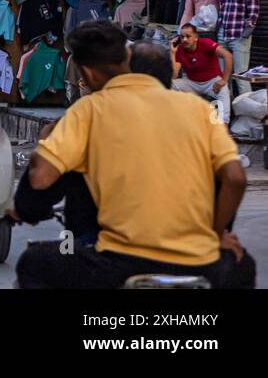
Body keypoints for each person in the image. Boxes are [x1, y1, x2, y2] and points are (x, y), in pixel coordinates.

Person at [15, 21, 248, 288]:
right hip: (198, 261)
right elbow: (235, 178)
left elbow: (40, 180)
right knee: (242, 266)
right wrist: (217, 234)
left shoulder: (89, 110)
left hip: (119, 262)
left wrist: (46, 141)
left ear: (87, 74)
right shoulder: (198, 110)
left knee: (34, 262)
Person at [171, 23, 233, 124]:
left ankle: (222, 124)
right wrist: (172, 53)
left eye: (188, 36)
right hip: (192, 83)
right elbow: (174, 75)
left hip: (212, 82)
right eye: (182, 37)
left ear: (195, 37)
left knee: (223, 89)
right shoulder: (180, 49)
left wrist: (224, 80)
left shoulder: (206, 43)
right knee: (170, 84)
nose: (185, 40)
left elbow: (228, 56)